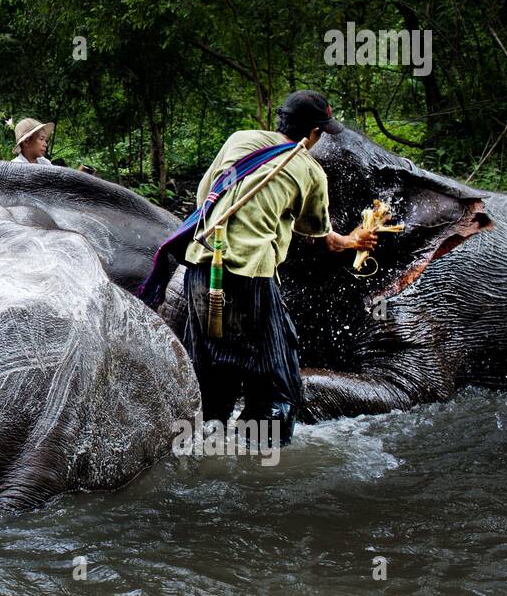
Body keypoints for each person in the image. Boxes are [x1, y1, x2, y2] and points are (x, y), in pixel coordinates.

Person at [139, 90, 377, 445]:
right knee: (279, 384)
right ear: (313, 134)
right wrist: (355, 240)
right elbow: (322, 237)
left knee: (212, 376)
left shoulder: (240, 140)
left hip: (202, 270)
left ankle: (201, 453)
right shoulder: (309, 171)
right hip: (248, 279)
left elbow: (207, 194)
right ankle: (260, 468)